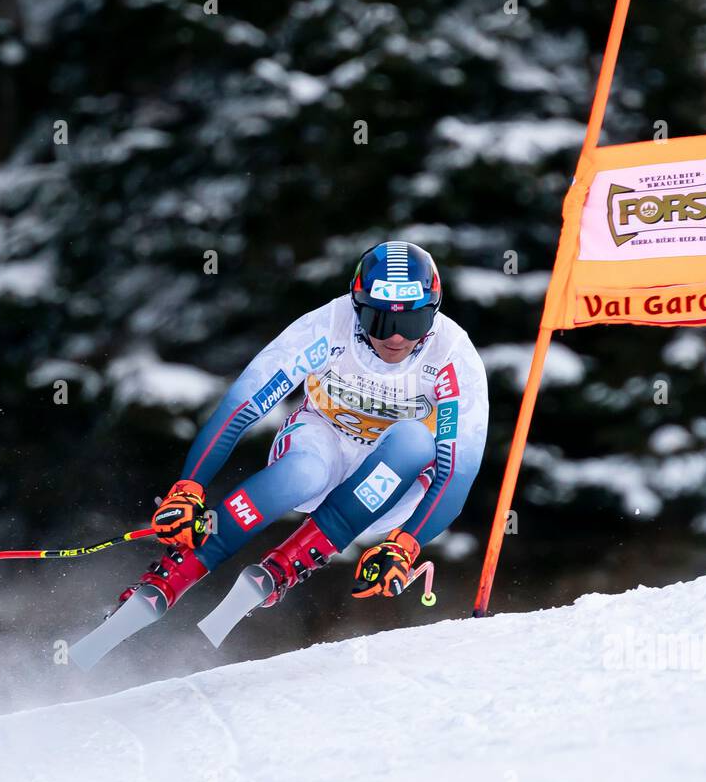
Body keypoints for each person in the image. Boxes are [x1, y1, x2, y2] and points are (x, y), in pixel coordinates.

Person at [123, 240, 488, 616]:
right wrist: (189, 488)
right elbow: (241, 407)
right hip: (323, 442)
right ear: (357, 305)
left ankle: (285, 567)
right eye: (381, 320)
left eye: (412, 322)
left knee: (413, 440)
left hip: (388, 490)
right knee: (303, 471)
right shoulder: (328, 326)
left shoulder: (452, 355)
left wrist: (406, 544)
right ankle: (170, 577)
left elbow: (457, 473)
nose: (395, 338)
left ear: (434, 311)